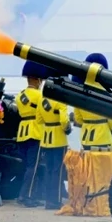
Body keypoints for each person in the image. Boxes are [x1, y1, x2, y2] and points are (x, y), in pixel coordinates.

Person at [15, 61, 47, 207]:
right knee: (33, 167)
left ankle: (25, 194)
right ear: (37, 79)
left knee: (26, 166)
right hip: (35, 131)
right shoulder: (40, 95)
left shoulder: (20, 95)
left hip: (22, 132)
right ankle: (26, 196)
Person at [39, 77, 72, 210]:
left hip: (46, 138)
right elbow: (64, 121)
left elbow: (39, 119)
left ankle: (48, 199)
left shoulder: (42, 100)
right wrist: (67, 128)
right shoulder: (60, 100)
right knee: (58, 172)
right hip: (58, 139)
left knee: (48, 170)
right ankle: (56, 200)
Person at [75, 53, 112, 152]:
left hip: (85, 139)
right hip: (104, 138)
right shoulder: (107, 94)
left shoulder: (79, 92)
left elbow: (78, 119)